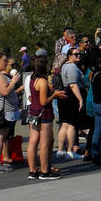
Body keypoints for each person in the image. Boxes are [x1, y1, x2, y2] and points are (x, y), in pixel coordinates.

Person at [25, 52, 65, 180]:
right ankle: (44, 170)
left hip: (33, 112)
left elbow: (34, 97)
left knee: (33, 141)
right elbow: (43, 102)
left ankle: (32, 170)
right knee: (45, 143)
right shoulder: (42, 81)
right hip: (44, 113)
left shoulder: (32, 79)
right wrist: (54, 95)